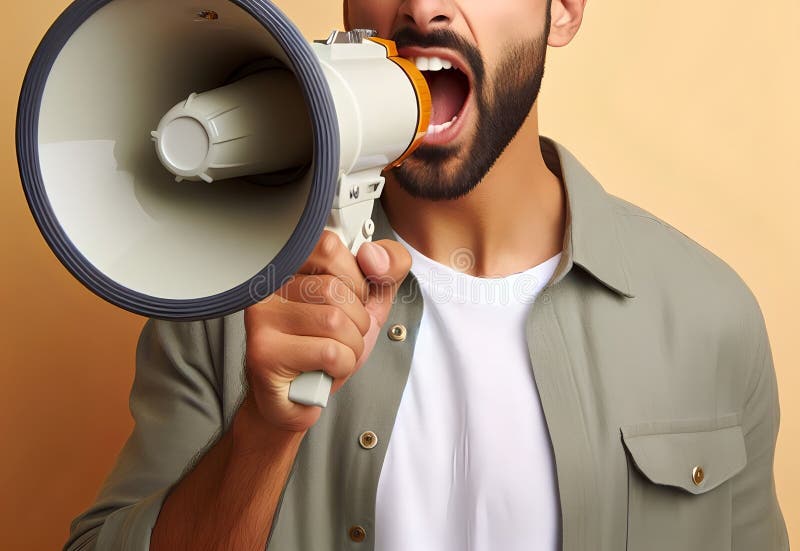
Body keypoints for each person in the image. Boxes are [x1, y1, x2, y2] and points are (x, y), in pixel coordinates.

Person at [65, 1, 789, 550]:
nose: (418, 6)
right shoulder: (225, 293)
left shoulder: (708, 315)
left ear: (563, 9)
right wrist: (262, 434)